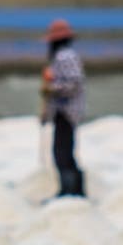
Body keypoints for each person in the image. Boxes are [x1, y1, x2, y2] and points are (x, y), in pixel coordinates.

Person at [40, 18, 86, 198]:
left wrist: (51, 86)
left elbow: (74, 83)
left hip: (67, 111)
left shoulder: (65, 56)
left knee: (62, 153)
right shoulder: (65, 55)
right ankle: (73, 191)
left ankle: (70, 192)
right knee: (65, 152)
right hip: (65, 111)